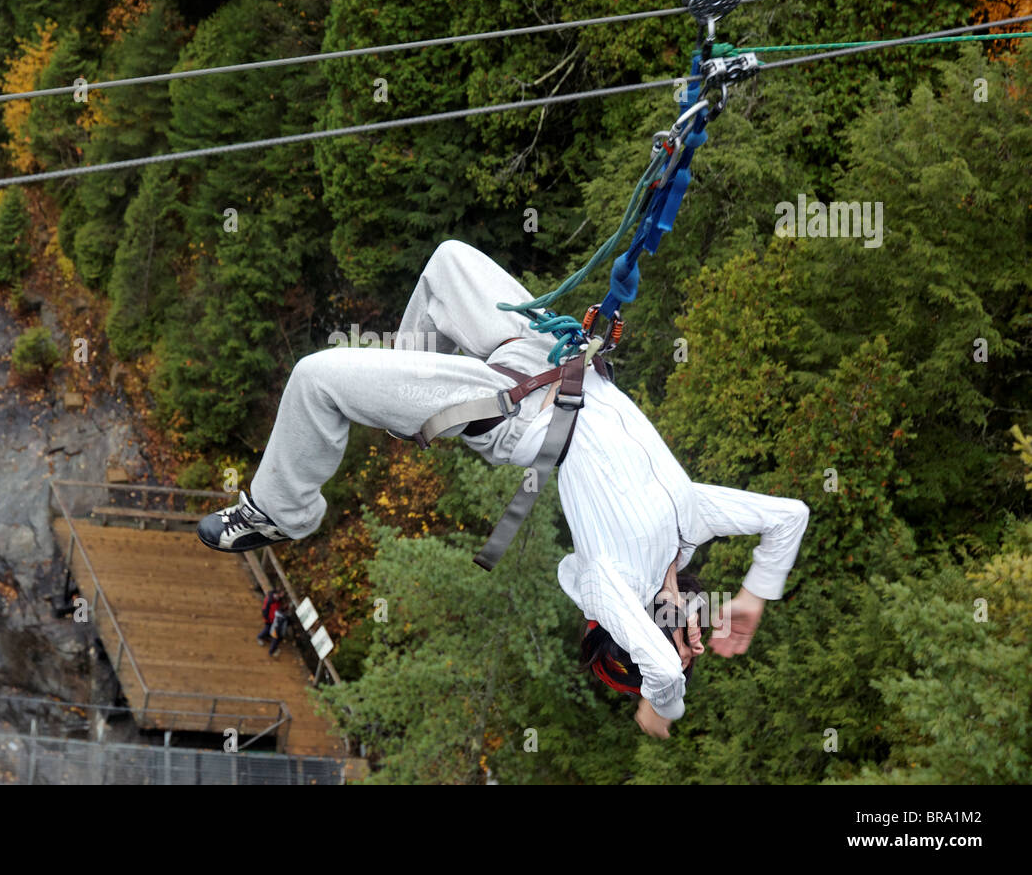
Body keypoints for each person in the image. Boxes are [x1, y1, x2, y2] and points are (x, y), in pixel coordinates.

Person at [200, 239, 809, 737]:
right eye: (692, 643)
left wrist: (662, 703)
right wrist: (754, 599)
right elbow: (790, 517)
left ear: (631, 633)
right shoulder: (692, 520)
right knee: (446, 264)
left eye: (679, 640)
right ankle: (397, 395)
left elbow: (657, 667)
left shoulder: (607, 581)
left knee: (315, 378)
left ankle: (280, 510)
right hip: (552, 356)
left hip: (509, 409)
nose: (694, 635)